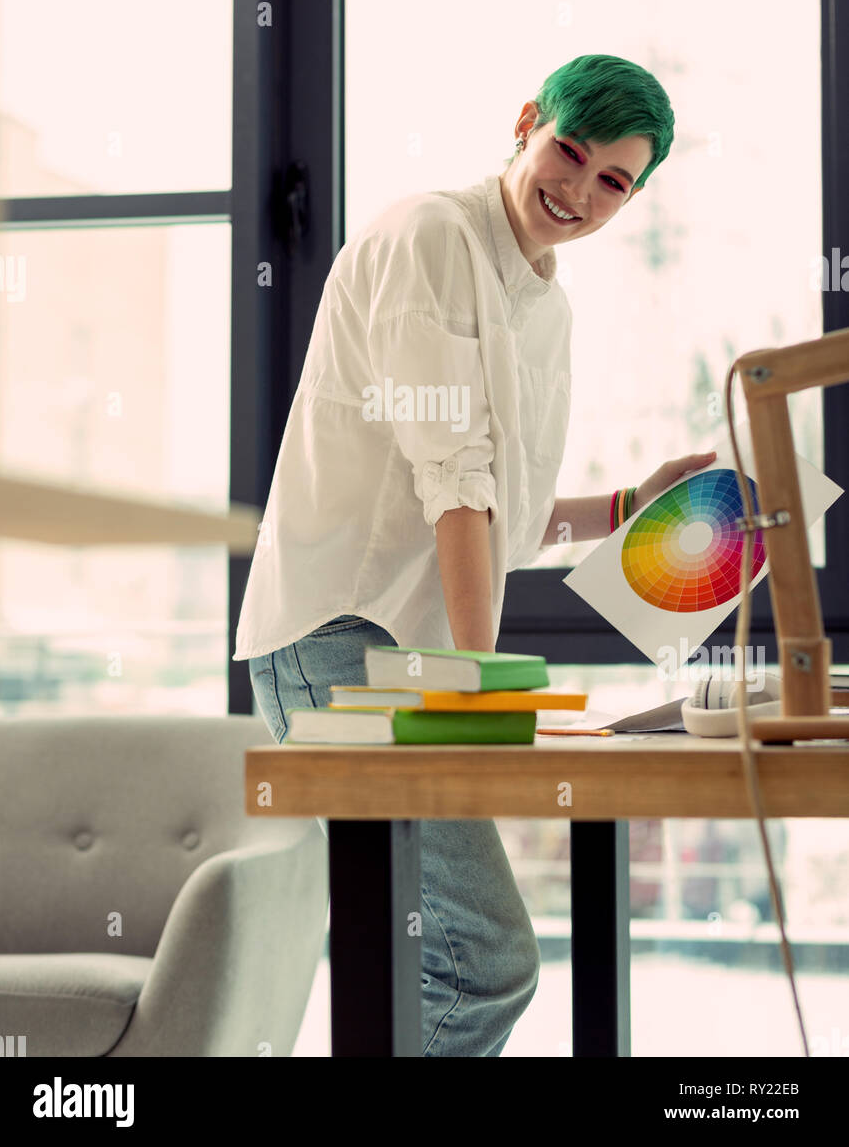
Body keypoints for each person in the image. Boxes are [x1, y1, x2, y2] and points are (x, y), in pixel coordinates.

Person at [233, 52, 716, 1056]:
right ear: (526, 121)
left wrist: (633, 502)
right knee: (484, 957)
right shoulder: (432, 236)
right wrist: (479, 688)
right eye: (567, 153)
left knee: (456, 954)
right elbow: (457, 486)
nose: (577, 192)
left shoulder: (545, 303)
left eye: (612, 182)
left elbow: (504, 511)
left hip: (398, 653)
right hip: (336, 642)